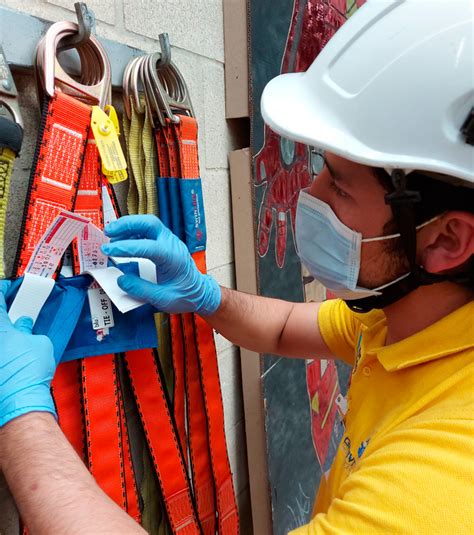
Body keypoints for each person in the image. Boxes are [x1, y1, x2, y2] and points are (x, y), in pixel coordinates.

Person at [1, 1, 472, 533]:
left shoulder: (447, 479)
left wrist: (19, 413)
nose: (308, 196)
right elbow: (286, 327)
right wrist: (205, 295)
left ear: (448, 239)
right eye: (319, 168)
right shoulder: (411, 322)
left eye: (338, 184)